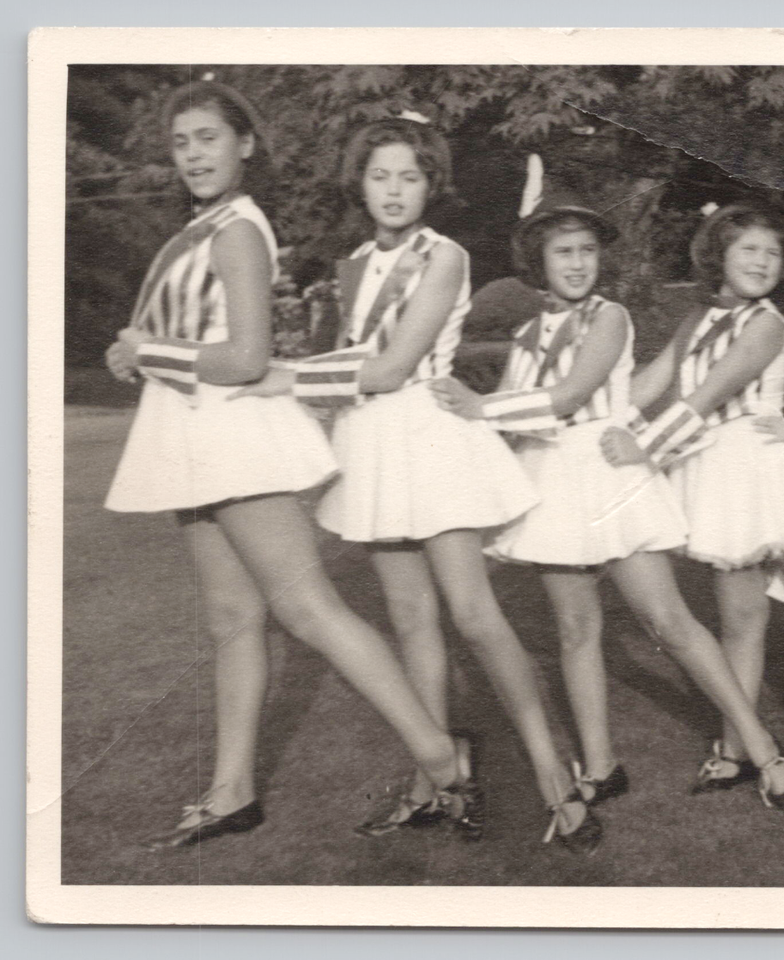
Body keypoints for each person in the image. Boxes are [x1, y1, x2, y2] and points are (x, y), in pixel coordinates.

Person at [104, 81, 482, 850]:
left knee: (306, 607)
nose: (195, 155)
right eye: (182, 144)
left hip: (233, 432)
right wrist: (140, 355)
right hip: (188, 430)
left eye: (209, 138)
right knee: (231, 618)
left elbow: (245, 357)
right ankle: (232, 791)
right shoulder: (202, 225)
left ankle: (443, 760)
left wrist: (150, 351)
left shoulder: (240, 229)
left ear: (245, 145)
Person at [234, 116, 602, 851]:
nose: (394, 191)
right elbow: (350, 365)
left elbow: (393, 367)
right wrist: (304, 387)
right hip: (374, 443)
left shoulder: (447, 256)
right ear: (361, 184)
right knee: (409, 618)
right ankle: (435, 782)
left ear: (432, 183)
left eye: (409, 176)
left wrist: (288, 375)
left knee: (473, 614)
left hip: (432, 438)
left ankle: (554, 776)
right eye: (380, 177)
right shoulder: (350, 265)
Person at [430, 201, 784, 813]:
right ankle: (600, 764)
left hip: (609, 473)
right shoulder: (527, 332)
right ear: (538, 261)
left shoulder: (611, 316)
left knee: (668, 621)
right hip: (555, 483)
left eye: (588, 251)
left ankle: (762, 750)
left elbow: (570, 396)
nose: (578, 263)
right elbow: (627, 388)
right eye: (564, 252)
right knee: (574, 629)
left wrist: (639, 444)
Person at [601, 204, 784, 800]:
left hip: (748, 471)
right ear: (719, 257)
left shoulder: (765, 323)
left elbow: (706, 398)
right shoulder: (701, 316)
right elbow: (654, 381)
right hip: (713, 464)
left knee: (744, 617)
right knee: (741, 616)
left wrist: (643, 449)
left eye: (773, 253)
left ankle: (740, 750)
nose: (762, 262)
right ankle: (740, 747)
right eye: (749, 250)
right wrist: (592, 421)